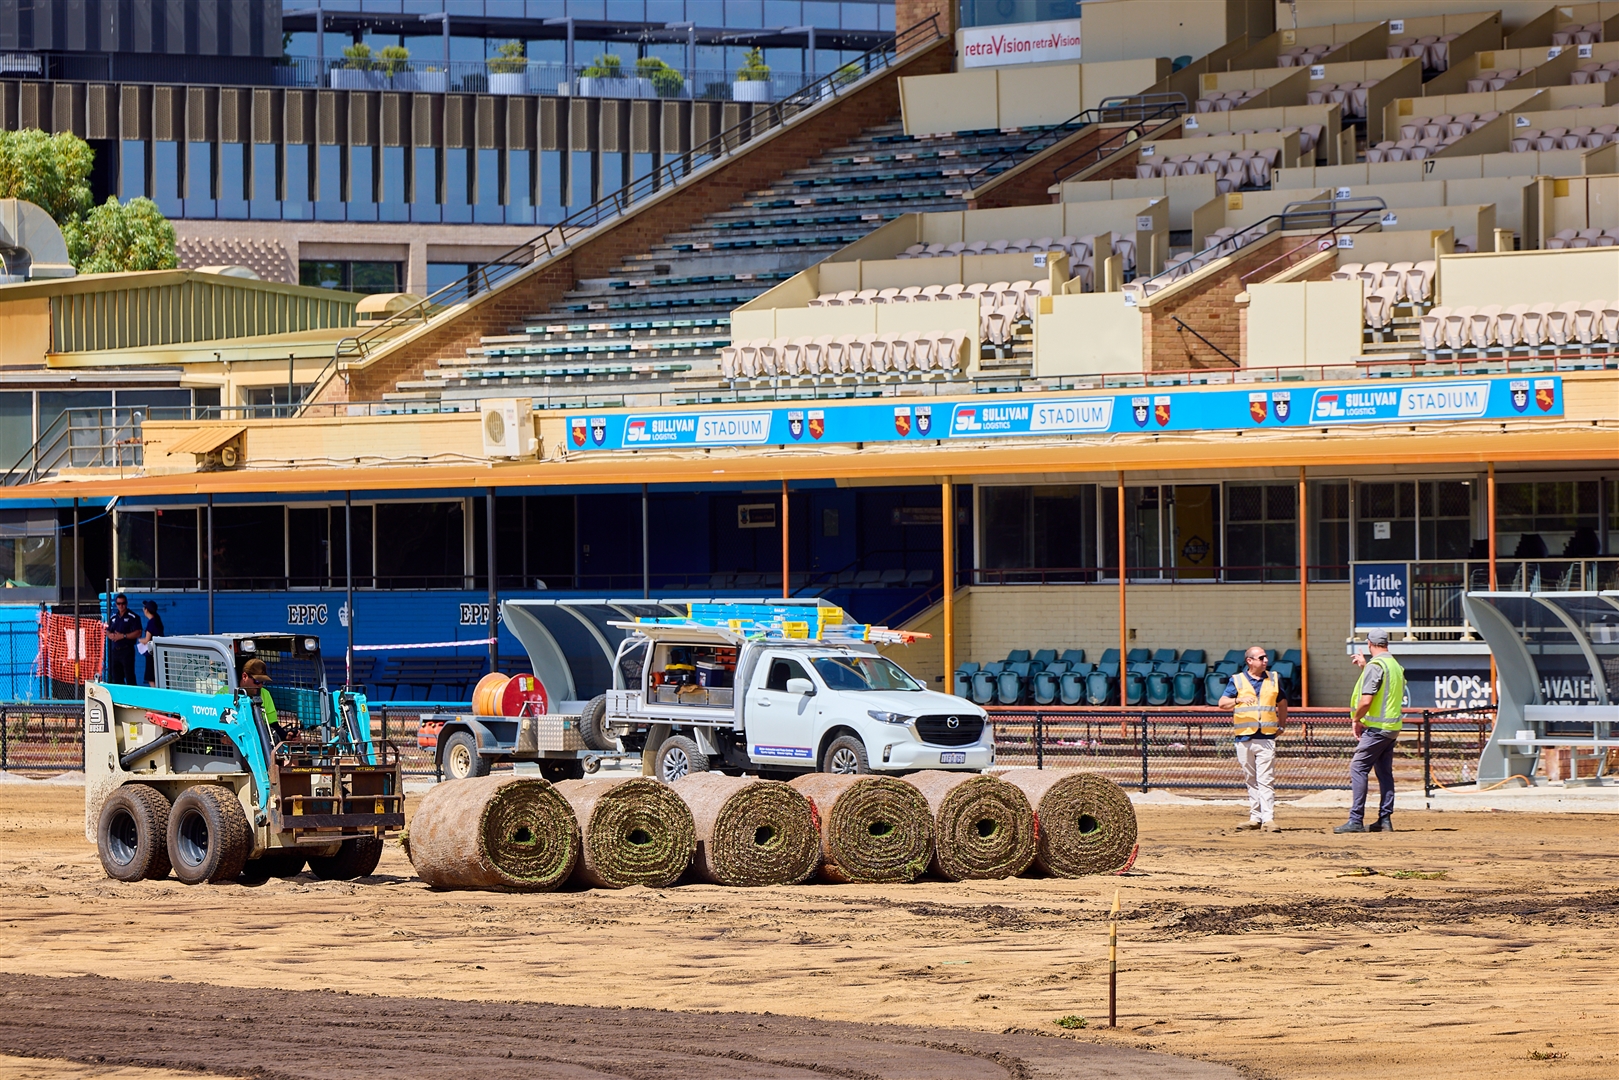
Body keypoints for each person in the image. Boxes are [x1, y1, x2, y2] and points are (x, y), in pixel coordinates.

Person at [1334, 629, 1406, 834]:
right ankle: (1385, 819)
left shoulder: (1376, 666)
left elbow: (1366, 701)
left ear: (1369, 643)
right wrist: (1365, 666)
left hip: (1377, 729)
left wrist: (1356, 719)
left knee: (1358, 768)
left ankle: (1356, 819)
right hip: (1391, 728)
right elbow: (1385, 689)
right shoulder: (1394, 665)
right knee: (1384, 773)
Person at [1217, 646, 1288, 833]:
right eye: (1261, 658)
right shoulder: (1237, 680)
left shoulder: (1274, 679)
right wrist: (1238, 700)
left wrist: (1281, 725)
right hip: (1244, 736)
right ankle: (1255, 817)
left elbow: (1282, 703)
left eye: (1266, 658)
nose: (1266, 661)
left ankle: (1268, 818)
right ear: (1249, 661)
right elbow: (1222, 703)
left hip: (1266, 736)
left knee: (1266, 778)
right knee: (1251, 779)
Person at [239, 657, 287, 743]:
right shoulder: (225, 693)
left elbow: (273, 725)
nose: (260, 685)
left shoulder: (265, 694)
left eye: (263, 682)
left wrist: (287, 736)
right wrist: (223, 737)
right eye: (257, 681)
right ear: (244, 676)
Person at [103, 593, 142, 685]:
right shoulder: (113, 617)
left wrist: (123, 636)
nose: (121, 606)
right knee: (116, 677)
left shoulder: (133, 617)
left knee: (129, 676)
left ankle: (132, 693)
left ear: (126, 603)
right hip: (115, 651)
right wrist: (110, 635)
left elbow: (138, 632)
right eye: (119, 604)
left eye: (123, 603)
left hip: (126, 650)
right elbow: (108, 630)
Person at [139, 600, 164, 687]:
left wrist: (140, 640)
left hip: (151, 653)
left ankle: (156, 692)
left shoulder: (151, 623)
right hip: (158, 652)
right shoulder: (157, 621)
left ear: (146, 610)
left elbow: (147, 640)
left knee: (151, 678)